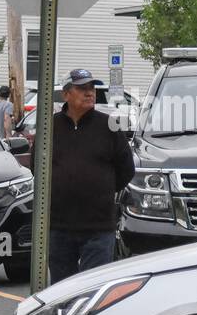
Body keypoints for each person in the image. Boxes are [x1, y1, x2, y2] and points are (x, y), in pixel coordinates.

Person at [39, 68, 135, 282]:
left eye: (91, 88)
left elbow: (127, 169)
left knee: (93, 289)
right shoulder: (49, 128)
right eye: (82, 88)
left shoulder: (109, 126)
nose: (89, 92)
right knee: (62, 291)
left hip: (98, 228)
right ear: (66, 94)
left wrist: (102, 189)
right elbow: (38, 168)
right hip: (59, 227)